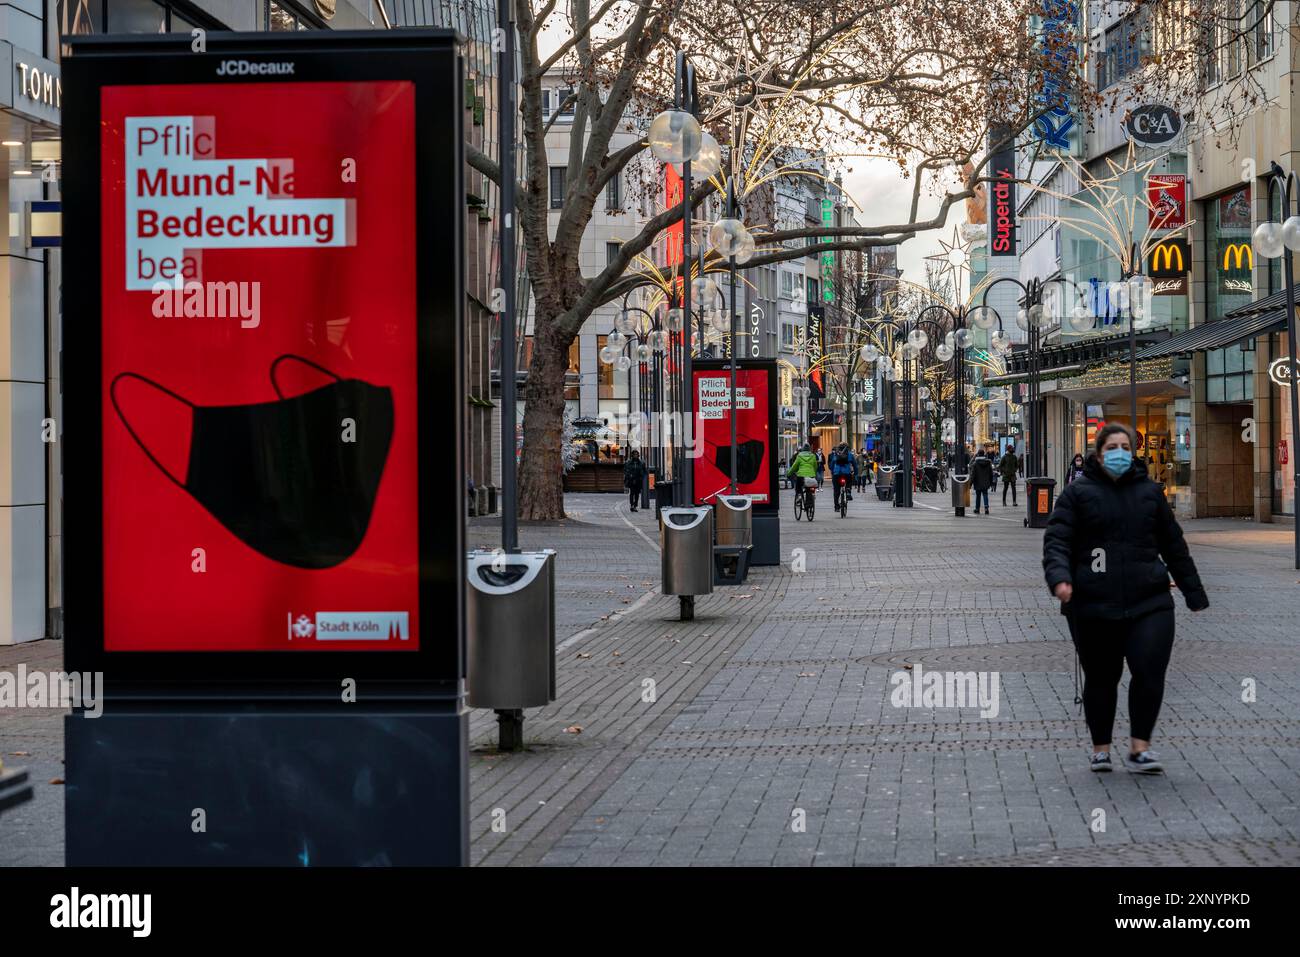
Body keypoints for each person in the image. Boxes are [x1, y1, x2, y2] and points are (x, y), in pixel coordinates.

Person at [1043, 423, 1209, 774]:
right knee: (1102, 677)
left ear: (1131, 451)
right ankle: (1101, 748)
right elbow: (1057, 541)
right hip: (1092, 603)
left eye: (1124, 446)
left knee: (1149, 672)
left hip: (1149, 601)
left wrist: (1193, 593)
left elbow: (1174, 546)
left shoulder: (1150, 493)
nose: (1118, 452)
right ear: (1099, 453)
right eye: (1111, 447)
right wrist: (1060, 579)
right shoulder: (1077, 494)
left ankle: (1140, 748)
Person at [787, 442, 818, 507]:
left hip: (801, 475)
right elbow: (815, 466)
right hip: (811, 475)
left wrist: (789, 473)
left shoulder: (799, 456)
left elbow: (794, 466)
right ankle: (810, 501)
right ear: (809, 449)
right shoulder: (813, 456)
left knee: (798, 486)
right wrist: (814, 474)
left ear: (803, 449)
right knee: (809, 488)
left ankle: (799, 496)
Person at [830, 443, 857, 510]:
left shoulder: (836, 454)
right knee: (849, 480)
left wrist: (833, 472)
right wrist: (855, 473)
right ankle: (848, 491)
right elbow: (855, 465)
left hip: (837, 474)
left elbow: (832, 465)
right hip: (846, 473)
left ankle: (836, 507)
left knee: (836, 491)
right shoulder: (850, 454)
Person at [969, 448, 994, 514]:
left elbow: (972, 474)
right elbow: (991, 473)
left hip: (977, 482)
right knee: (985, 495)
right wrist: (991, 482)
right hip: (986, 482)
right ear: (984, 454)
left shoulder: (975, 464)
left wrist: (970, 484)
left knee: (978, 496)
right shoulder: (988, 463)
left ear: (978, 455)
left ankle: (977, 509)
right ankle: (986, 508)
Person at [998, 443, 1022, 507]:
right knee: (1005, 488)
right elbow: (1000, 466)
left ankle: (1014, 501)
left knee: (1013, 488)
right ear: (1008, 449)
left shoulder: (1014, 457)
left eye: (1012, 448)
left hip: (1012, 475)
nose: (1012, 449)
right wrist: (1004, 471)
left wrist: (1014, 469)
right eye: (1011, 448)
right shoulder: (1004, 457)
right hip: (1006, 475)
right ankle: (1004, 501)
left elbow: (1017, 465)